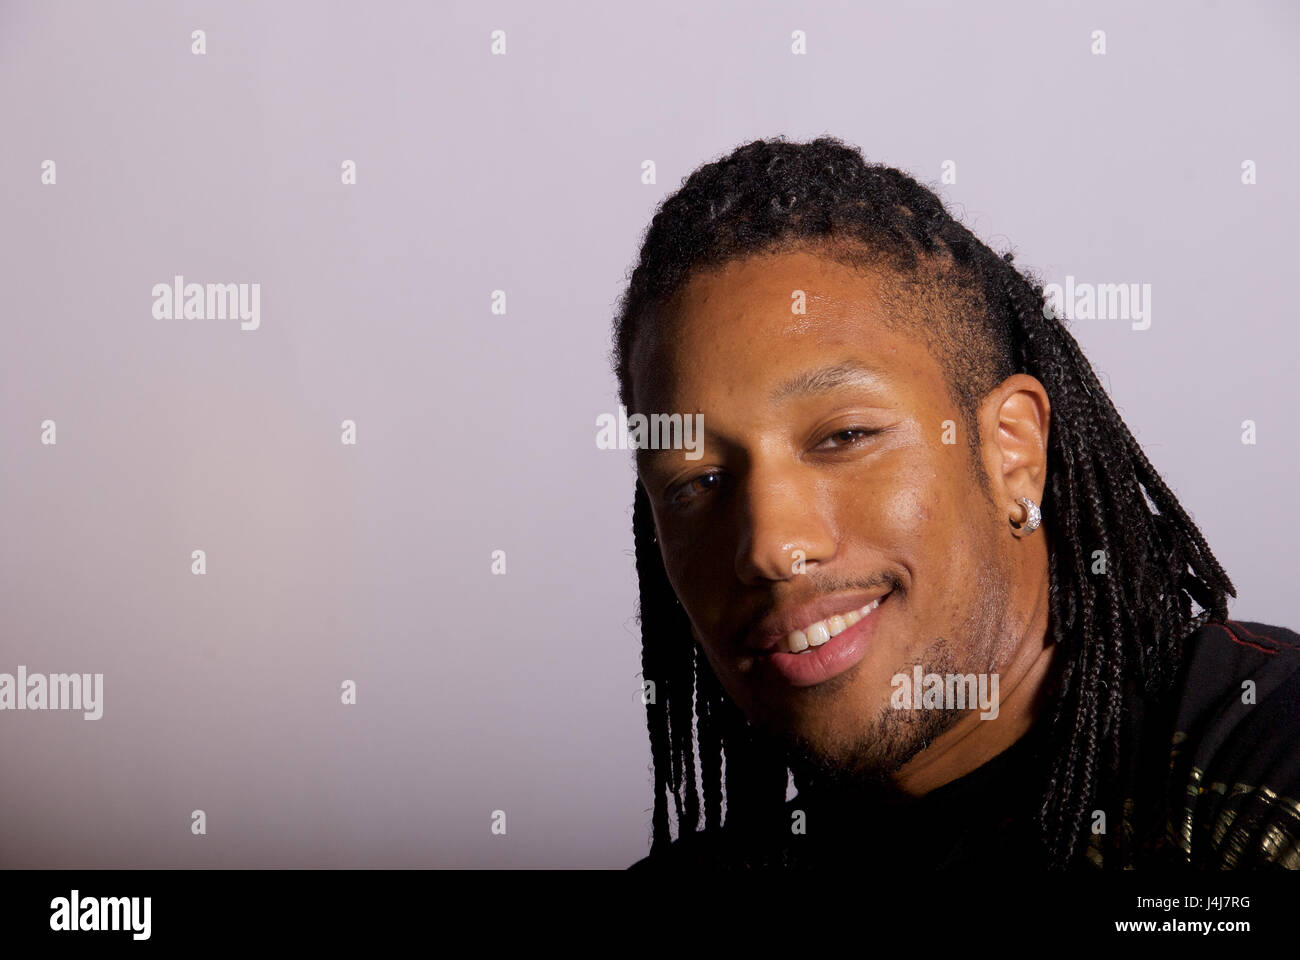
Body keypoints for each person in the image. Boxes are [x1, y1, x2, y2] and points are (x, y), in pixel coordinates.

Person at [612, 135, 1300, 870]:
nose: (771, 546)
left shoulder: (1261, 763)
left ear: (1013, 452)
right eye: (698, 483)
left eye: (844, 436)